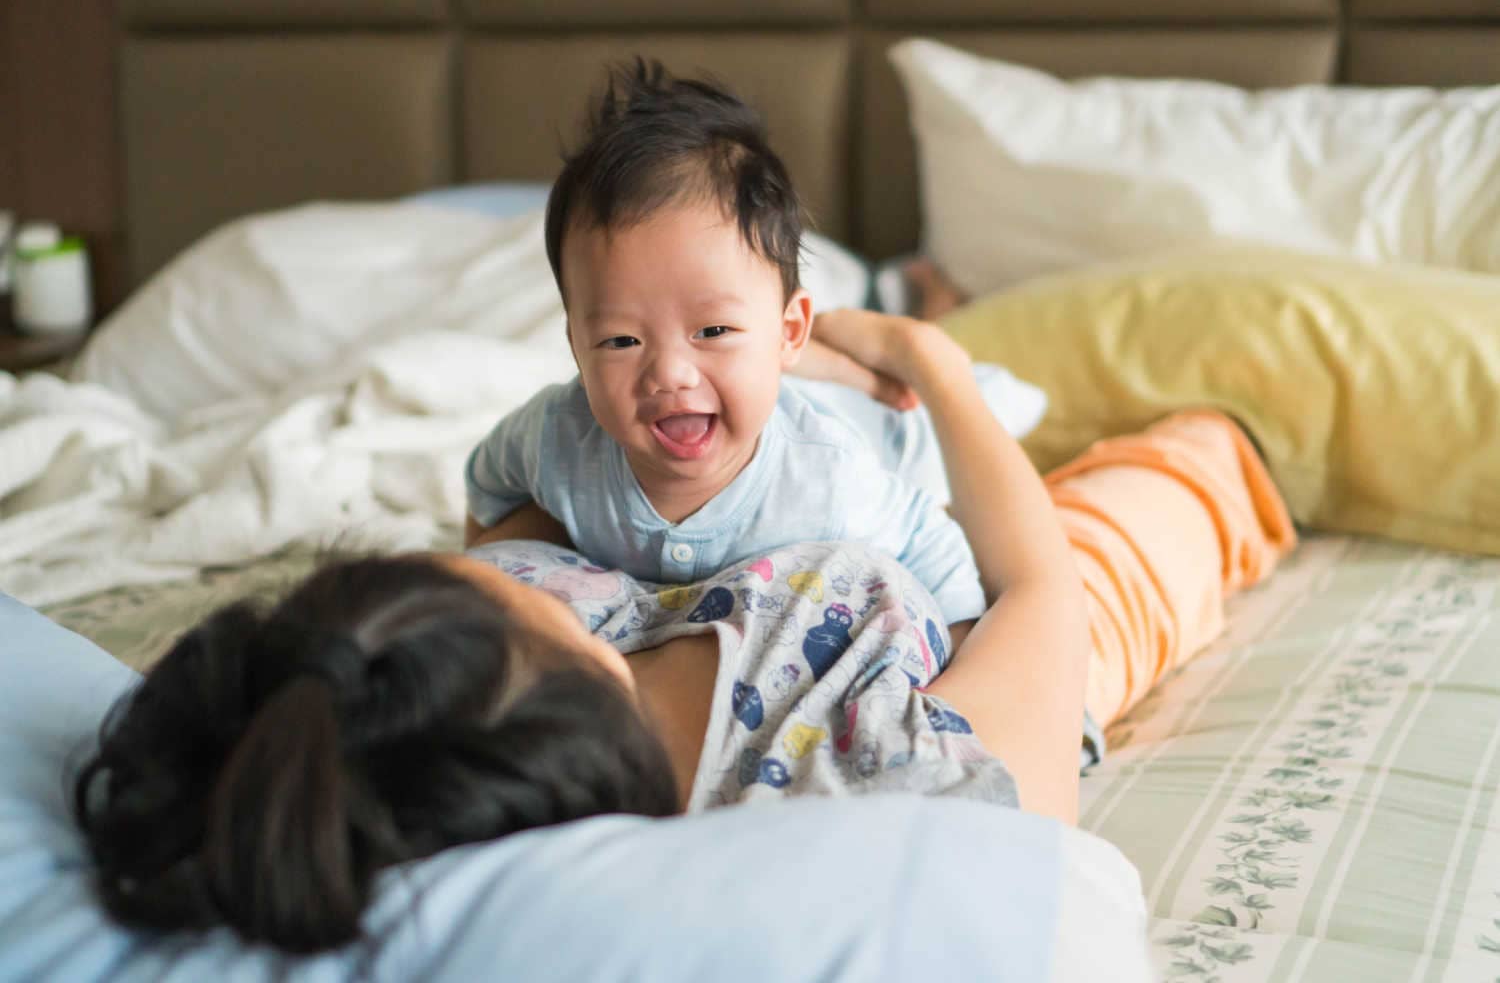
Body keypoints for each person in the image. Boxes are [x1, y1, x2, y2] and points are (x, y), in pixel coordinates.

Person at [73, 308, 1295, 955]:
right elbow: (1039, 593)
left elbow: (515, 518)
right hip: (988, 608)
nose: (474, 560)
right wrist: (941, 370)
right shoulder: (887, 770)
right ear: (531, 674)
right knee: (1179, 472)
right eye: (458, 578)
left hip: (797, 518)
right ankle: (1222, 427)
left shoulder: (494, 658)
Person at [463, 59, 1045, 649]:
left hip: (883, 423)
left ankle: (920, 325)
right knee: (743, 366)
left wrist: (958, 647)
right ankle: (806, 346)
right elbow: (490, 478)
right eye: (621, 341)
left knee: (945, 420)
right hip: (762, 375)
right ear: (576, 347)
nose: (668, 373)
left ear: (790, 329)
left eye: (712, 329)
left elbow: (932, 544)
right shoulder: (556, 436)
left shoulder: (829, 477)